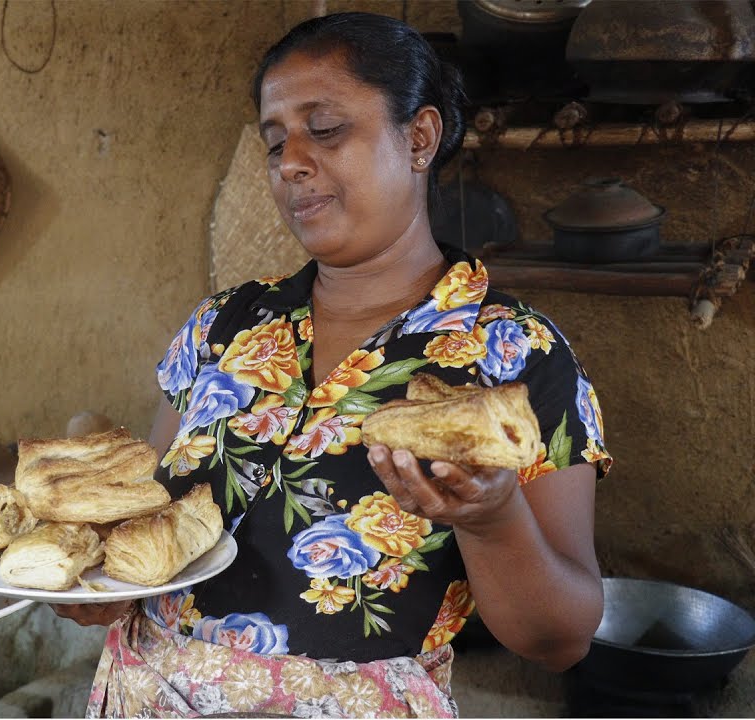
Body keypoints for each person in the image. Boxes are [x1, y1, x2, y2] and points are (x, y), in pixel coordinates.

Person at [55, 11, 613, 718]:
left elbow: (561, 640)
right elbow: (145, 523)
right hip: (145, 697)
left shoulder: (515, 354)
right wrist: (97, 584)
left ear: (419, 138)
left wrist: (491, 519)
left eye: (324, 129)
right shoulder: (223, 326)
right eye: (274, 141)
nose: (292, 161)